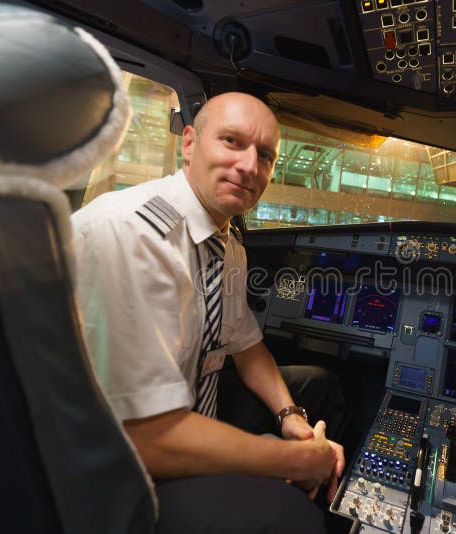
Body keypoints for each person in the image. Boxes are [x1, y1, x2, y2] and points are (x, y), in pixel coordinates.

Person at [72, 92, 345, 533]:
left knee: (318, 384)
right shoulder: (133, 235)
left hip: (188, 411)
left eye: (265, 155)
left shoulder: (225, 243)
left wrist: (290, 418)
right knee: (293, 521)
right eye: (231, 141)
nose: (249, 166)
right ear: (189, 143)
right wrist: (292, 459)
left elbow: (248, 348)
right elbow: (146, 437)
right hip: (110, 466)